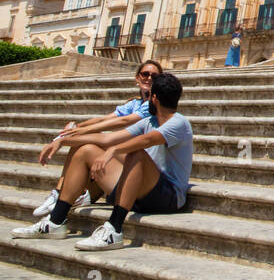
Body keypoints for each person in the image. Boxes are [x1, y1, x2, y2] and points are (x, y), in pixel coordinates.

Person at [11, 71, 194, 250]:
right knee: (86, 151)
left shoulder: (179, 123)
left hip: (168, 197)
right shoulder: (149, 122)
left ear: (154, 98)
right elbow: (106, 139)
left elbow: (147, 140)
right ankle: (55, 222)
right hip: (139, 193)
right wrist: (61, 141)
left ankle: (114, 230)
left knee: (136, 152)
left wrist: (114, 150)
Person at [29, 60, 161, 217]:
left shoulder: (153, 105)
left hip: (142, 164)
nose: (149, 78)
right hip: (125, 159)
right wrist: (77, 127)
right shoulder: (135, 103)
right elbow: (103, 120)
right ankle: (64, 194)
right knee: (85, 146)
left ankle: (61, 194)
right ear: (137, 78)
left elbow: (123, 121)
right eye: (145, 74)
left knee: (89, 141)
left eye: (154, 76)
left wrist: (78, 133)